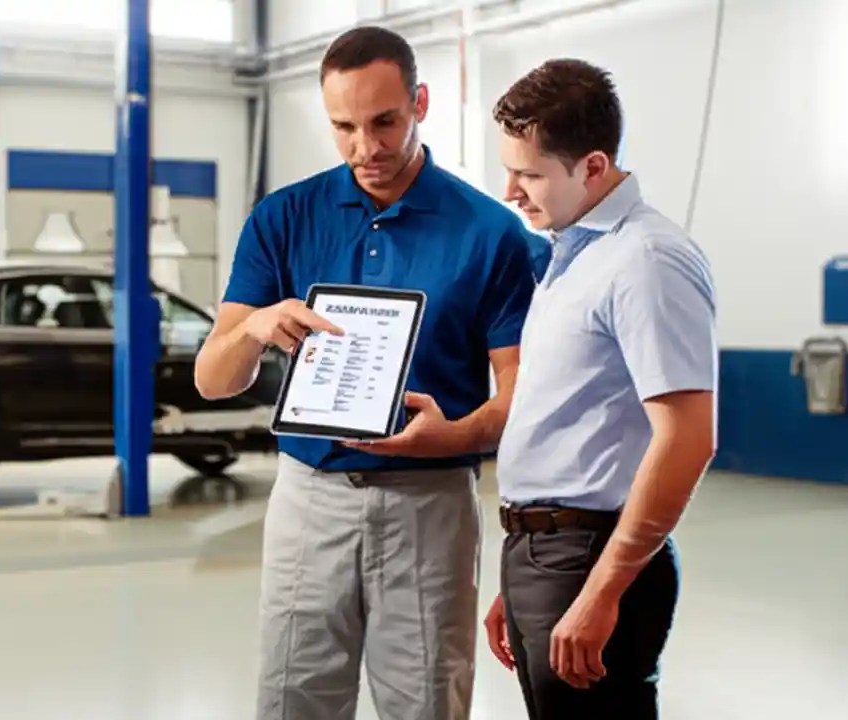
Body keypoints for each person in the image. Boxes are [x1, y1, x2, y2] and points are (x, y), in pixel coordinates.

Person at [193, 25, 539, 720]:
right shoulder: (282, 219)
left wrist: (455, 438)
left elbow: (521, 393)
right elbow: (212, 378)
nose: (365, 148)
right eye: (344, 127)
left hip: (431, 502)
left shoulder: (489, 233)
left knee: (426, 703)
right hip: (307, 499)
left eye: (385, 122)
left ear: (421, 102)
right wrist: (255, 327)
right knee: (294, 698)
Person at [482, 58, 718, 720]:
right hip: (548, 556)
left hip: (587, 556)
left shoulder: (645, 259)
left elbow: (688, 437)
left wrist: (599, 590)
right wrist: (523, 569)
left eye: (529, 174)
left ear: (591, 166)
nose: (511, 191)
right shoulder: (574, 254)